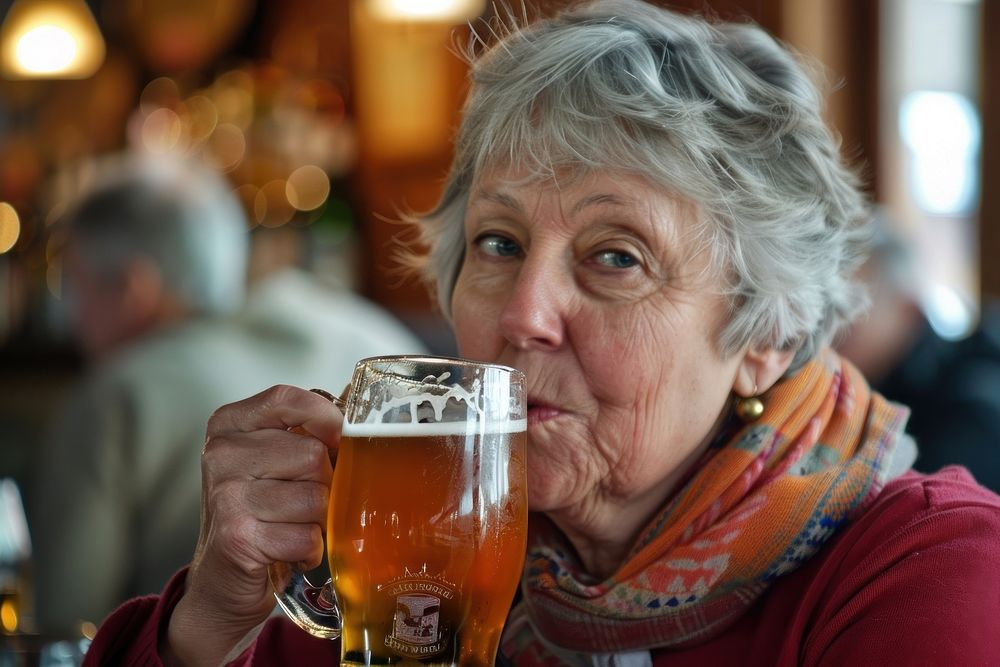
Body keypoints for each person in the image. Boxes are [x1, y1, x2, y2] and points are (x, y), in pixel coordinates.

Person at [84, 1, 1000, 664]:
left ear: (764, 329)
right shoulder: (430, 557)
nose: (522, 312)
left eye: (616, 256)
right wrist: (208, 622)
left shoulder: (930, 575)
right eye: (498, 242)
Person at [30, 153, 424, 637]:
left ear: (135, 287)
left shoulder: (114, 395)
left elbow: (66, 627)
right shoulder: (368, 333)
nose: (70, 317)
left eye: (73, 284)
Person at [836, 214, 1000, 492]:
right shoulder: (869, 393)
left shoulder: (970, 407)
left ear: (908, 308)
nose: (832, 334)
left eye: (850, 312)